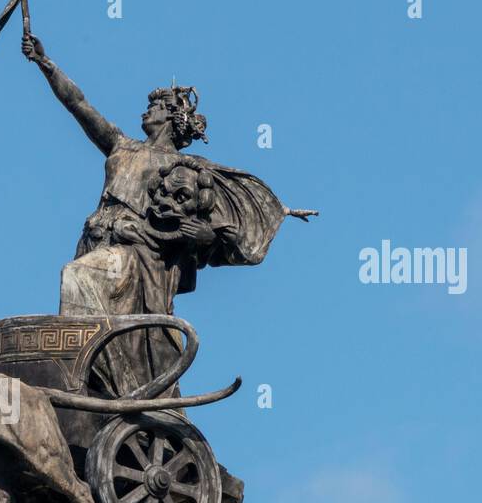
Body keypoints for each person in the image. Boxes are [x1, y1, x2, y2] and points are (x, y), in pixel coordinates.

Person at [22, 32, 304, 395]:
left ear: (171, 118)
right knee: (79, 289)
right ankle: (96, 382)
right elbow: (78, 104)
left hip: (134, 258)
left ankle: (104, 378)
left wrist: (207, 237)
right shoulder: (121, 146)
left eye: (154, 106)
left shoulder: (186, 168)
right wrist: (46, 64)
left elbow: (217, 230)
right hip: (94, 243)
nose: (145, 109)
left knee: (76, 278)